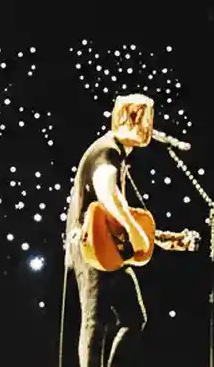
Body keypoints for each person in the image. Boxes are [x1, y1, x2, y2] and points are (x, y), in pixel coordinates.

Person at [65, 94, 155, 367]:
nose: (143, 125)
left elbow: (117, 214)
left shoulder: (117, 154)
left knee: (133, 318)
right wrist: (135, 232)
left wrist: (161, 239)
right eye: (136, 117)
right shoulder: (107, 152)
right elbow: (107, 193)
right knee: (95, 321)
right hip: (92, 246)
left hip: (107, 245)